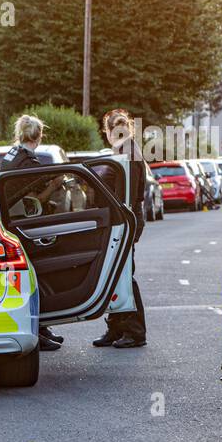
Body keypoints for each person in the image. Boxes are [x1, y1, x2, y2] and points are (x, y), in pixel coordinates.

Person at [0, 115, 64, 352]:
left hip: (12, 225)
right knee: (35, 279)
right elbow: (36, 199)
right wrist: (55, 186)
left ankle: (42, 329)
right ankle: (37, 331)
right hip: (24, 226)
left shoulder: (13, 155)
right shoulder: (29, 164)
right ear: (39, 136)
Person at [93, 108, 147, 348]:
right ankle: (116, 327)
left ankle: (135, 331)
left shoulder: (128, 154)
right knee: (117, 275)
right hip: (122, 219)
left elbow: (128, 196)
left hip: (125, 220)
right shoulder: (123, 150)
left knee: (125, 276)